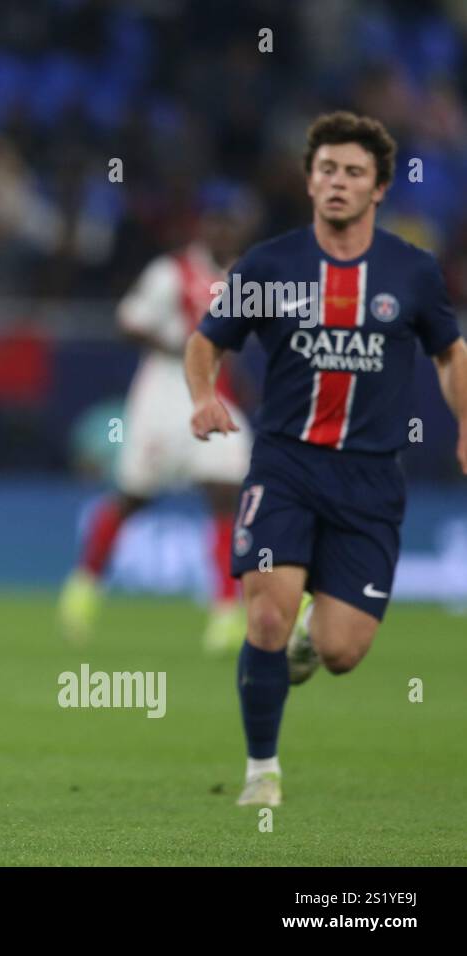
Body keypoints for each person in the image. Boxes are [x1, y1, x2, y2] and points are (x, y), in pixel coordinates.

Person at [185, 111, 467, 807]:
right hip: (284, 464)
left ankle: (316, 639)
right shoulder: (270, 266)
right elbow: (206, 339)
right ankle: (262, 773)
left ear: (378, 190)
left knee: (341, 652)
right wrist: (202, 394)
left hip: (369, 479)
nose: (338, 182)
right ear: (310, 181)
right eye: (328, 170)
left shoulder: (413, 271)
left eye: (354, 173)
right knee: (266, 620)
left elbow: (450, 353)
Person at [59, 189, 257, 654]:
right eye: (216, 225)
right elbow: (126, 321)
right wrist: (176, 343)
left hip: (211, 394)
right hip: (163, 396)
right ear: (203, 229)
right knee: (133, 496)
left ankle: (226, 613)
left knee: (227, 491)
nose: (223, 234)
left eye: (231, 227)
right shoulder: (172, 272)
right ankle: (85, 584)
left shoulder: (241, 280)